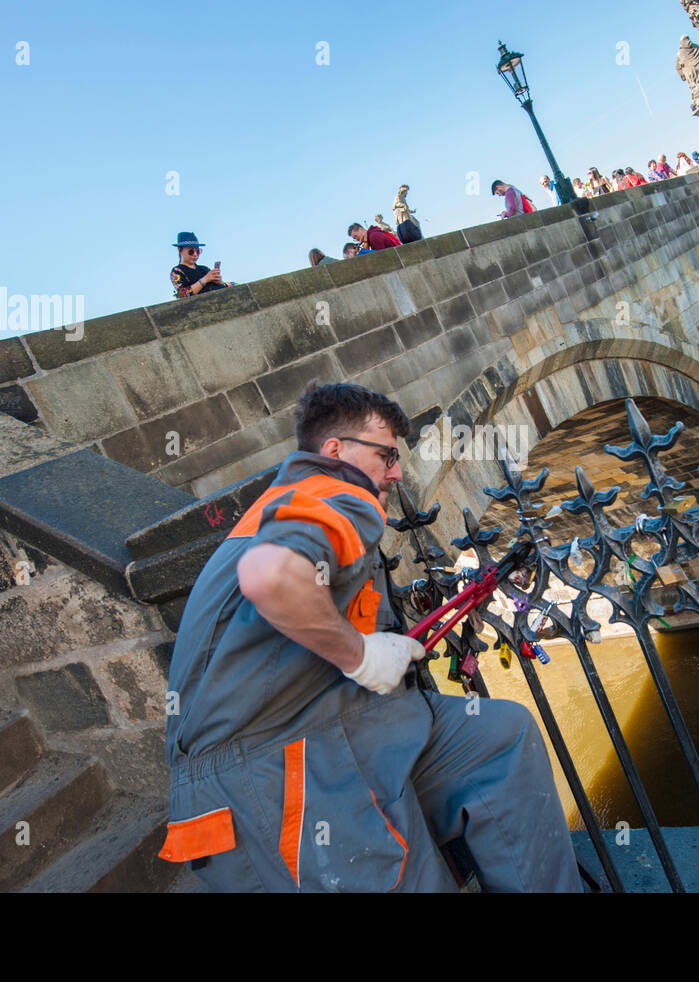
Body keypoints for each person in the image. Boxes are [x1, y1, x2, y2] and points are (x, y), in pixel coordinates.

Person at [158, 382, 583, 893]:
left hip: (343, 728)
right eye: (386, 455)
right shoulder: (335, 492)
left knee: (501, 740)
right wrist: (361, 656)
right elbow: (271, 576)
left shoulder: (285, 505)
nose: (397, 471)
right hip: (275, 773)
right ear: (335, 451)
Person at [171, 232, 233, 300]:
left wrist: (220, 282)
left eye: (198, 251)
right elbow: (183, 294)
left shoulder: (204, 269)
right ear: (180, 250)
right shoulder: (177, 271)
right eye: (191, 251)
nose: (195, 254)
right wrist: (205, 279)